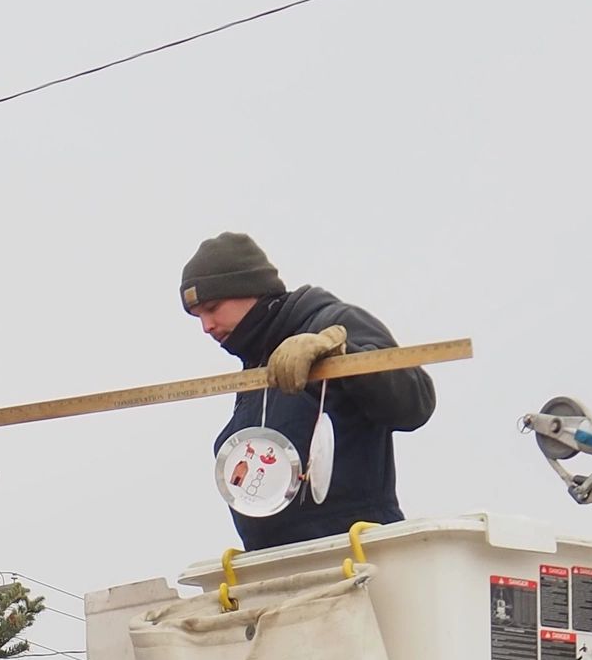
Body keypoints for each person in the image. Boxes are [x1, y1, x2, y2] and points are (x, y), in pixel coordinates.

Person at [178, 232, 435, 551]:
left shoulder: (333, 323)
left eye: (212, 308)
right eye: (198, 316)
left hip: (359, 557)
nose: (206, 326)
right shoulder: (256, 366)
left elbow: (415, 401)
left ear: (249, 289)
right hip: (286, 564)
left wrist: (342, 353)